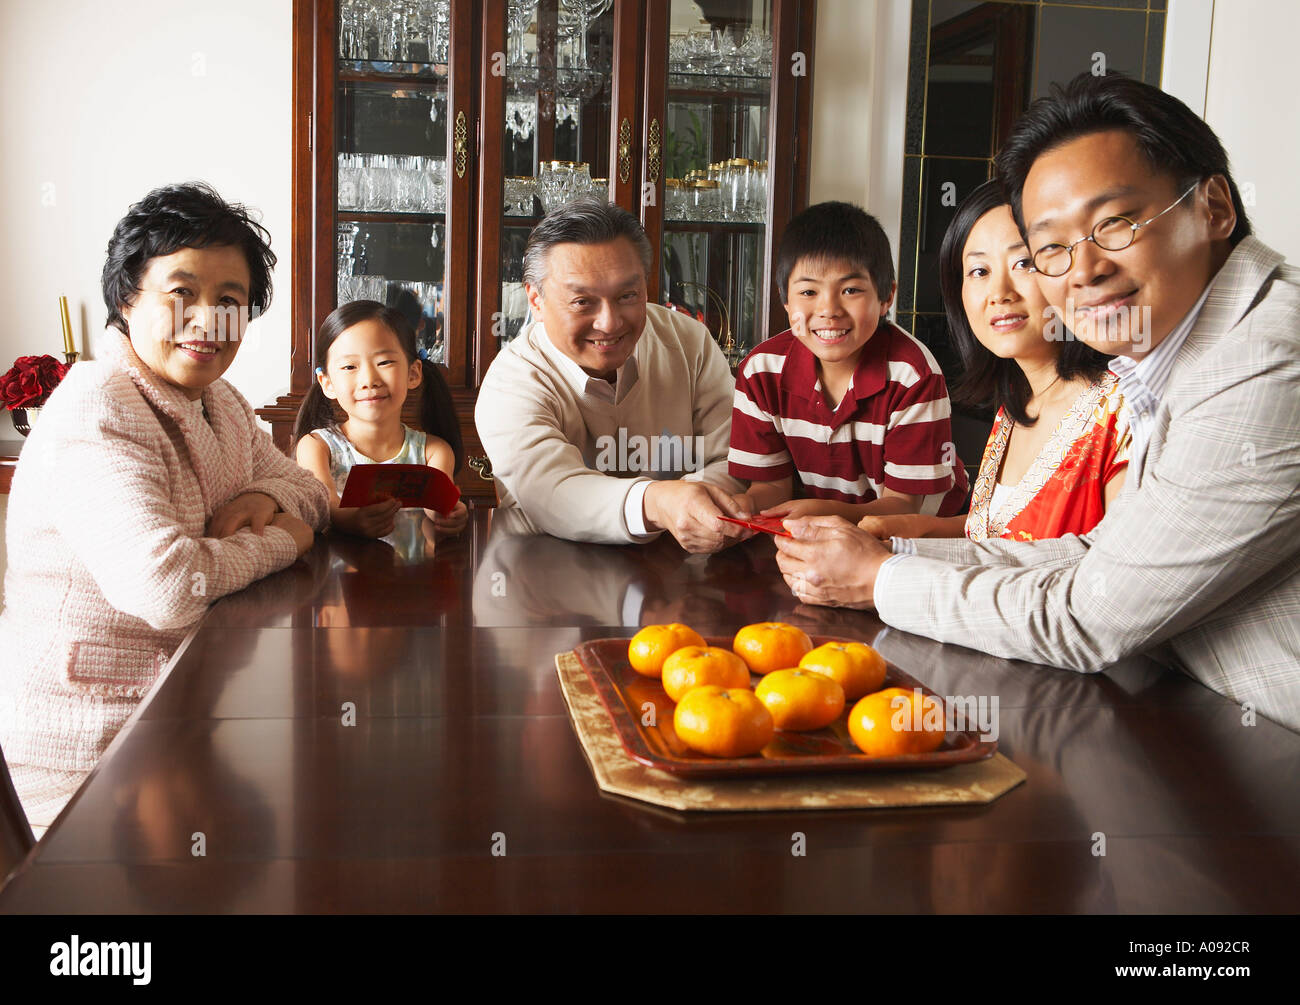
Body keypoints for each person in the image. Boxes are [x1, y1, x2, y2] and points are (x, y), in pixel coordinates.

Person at [773, 72, 1300, 734]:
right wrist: (893, 558)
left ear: (1215, 206)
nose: (1082, 269)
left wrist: (877, 580)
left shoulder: (1266, 359)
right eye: (1051, 247)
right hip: (1208, 727)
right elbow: (1095, 556)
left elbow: (1088, 617)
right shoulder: (1172, 352)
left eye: (1114, 222)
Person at [0, 182, 332, 834]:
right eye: (181, 293)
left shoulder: (225, 402)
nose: (208, 321)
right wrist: (284, 538)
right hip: (87, 757)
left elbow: (314, 492)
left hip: (183, 718)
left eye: (230, 302)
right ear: (128, 298)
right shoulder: (98, 403)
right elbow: (168, 584)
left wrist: (266, 495)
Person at [859, 180, 1130, 543]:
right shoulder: (1016, 405)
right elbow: (1003, 534)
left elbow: (1113, 576)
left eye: (1024, 263)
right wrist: (927, 529)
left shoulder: (1122, 413)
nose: (999, 294)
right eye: (979, 272)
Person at [474, 199, 750, 552]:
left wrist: (687, 504)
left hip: (679, 566)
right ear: (536, 301)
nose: (609, 323)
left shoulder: (686, 341)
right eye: (582, 302)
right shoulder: (512, 382)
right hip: (547, 573)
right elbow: (553, 492)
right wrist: (661, 503)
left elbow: (736, 458)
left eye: (627, 296)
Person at [729, 201, 969, 521]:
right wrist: (744, 509)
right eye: (809, 292)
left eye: (851, 289)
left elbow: (903, 507)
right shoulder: (761, 371)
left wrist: (824, 513)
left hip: (925, 533)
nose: (829, 310)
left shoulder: (912, 375)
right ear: (784, 299)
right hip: (825, 529)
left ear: (886, 298)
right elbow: (770, 486)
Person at [293, 299, 468, 538]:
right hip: (336, 574)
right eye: (349, 367)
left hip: (413, 574)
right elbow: (326, 507)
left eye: (384, 362)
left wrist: (447, 513)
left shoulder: (433, 452)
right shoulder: (316, 447)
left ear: (413, 373)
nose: (369, 379)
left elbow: (434, 508)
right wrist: (353, 521)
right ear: (328, 383)